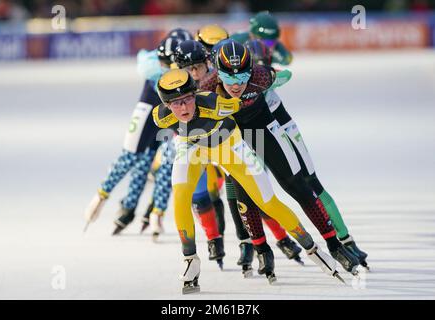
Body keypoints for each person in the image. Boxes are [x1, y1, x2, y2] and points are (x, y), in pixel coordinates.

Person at [152, 69, 345, 293]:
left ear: (195, 95)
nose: (183, 108)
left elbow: (246, 101)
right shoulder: (160, 116)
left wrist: (267, 79)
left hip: (228, 147)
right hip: (193, 146)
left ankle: (312, 248)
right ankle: (190, 260)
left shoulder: (216, 104)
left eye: (187, 100)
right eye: (175, 103)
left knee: (267, 202)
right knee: (181, 197)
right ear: (166, 104)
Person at [199, 40, 361, 274]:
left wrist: (280, 75)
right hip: (234, 134)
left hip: (262, 124)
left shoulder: (262, 76)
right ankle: (262, 250)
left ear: (251, 72)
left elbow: (285, 74)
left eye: (242, 79)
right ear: (217, 73)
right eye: (230, 79)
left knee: (297, 184)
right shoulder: (207, 86)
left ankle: (334, 245)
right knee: (244, 192)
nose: (236, 86)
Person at [175, 39, 304, 273]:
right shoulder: (184, 87)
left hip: (230, 138)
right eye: (188, 69)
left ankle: (271, 240)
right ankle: (218, 240)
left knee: (247, 190)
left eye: (198, 67)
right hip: (199, 141)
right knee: (206, 194)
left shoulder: (215, 78)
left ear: (209, 63)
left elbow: (277, 73)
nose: (194, 72)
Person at [245, 37, 370, 269]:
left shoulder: (260, 74)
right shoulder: (234, 75)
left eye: (255, 69)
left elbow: (286, 70)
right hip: (255, 136)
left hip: (282, 130)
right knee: (255, 191)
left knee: (310, 183)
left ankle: (345, 241)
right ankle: (268, 241)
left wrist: (270, 72)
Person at [83, 34, 183, 240]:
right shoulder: (151, 71)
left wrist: (159, 210)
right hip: (152, 105)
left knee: (168, 159)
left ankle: (155, 211)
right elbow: (129, 154)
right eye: (162, 65)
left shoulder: (179, 71)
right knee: (138, 157)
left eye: (169, 66)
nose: (165, 69)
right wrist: (101, 194)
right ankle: (129, 206)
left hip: (174, 107)